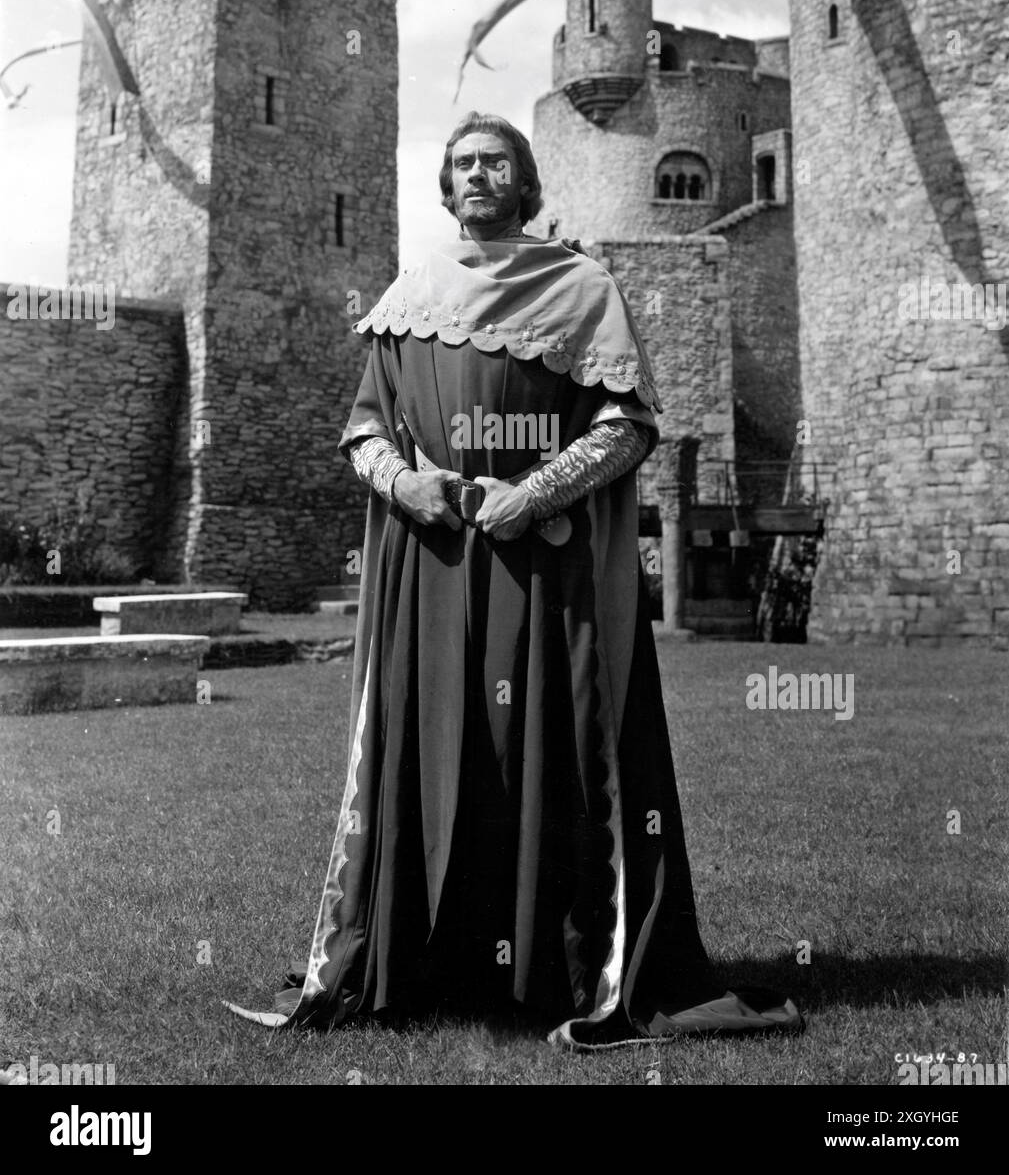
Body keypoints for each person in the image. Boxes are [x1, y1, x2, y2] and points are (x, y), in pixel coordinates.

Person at [227, 112, 800, 1049]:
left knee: (552, 747)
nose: (479, 174)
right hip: (434, 555)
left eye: (497, 161)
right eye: (463, 164)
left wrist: (534, 494)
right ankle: (432, 960)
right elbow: (364, 429)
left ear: (526, 183)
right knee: (435, 747)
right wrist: (403, 481)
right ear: (446, 188)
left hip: (546, 564)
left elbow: (625, 426)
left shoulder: (580, 288)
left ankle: (562, 968)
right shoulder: (409, 294)